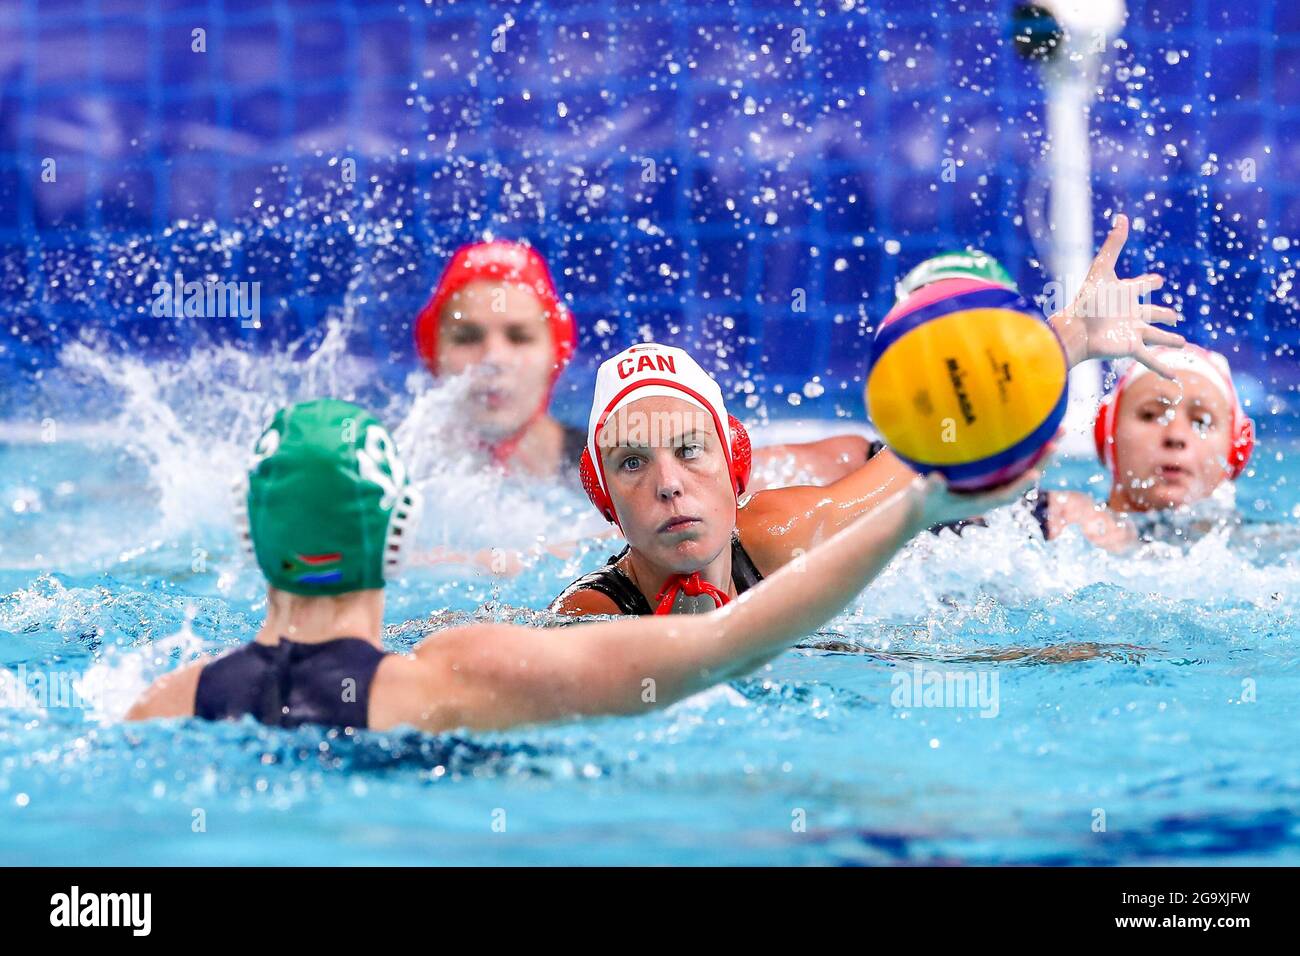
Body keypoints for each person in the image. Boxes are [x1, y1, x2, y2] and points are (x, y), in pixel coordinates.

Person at [124, 398, 1033, 732]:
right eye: (636, 463)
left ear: (249, 539)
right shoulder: (462, 670)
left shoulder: (162, 700)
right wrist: (922, 507)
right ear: (397, 534)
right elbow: (733, 643)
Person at [550, 214, 1186, 617]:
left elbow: (928, 453)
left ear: (736, 470)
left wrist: (1067, 340)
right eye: (633, 462)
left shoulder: (786, 533)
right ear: (605, 498)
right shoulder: (591, 616)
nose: (668, 482)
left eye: (690, 450)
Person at [413, 239, 875, 487]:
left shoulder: (609, 458)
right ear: (432, 353)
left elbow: (757, 473)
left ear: (557, 353)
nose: (492, 360)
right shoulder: (399, 476)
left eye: (519, 337)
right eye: (468, 337)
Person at [1030, 343, 1255, 550]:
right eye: (1150, 415)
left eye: (1201, 422)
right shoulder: (1058, 522)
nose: (1175, 435)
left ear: (1237, 451)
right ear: (1107, 437)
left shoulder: (1261, 546)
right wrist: (1035, 510)